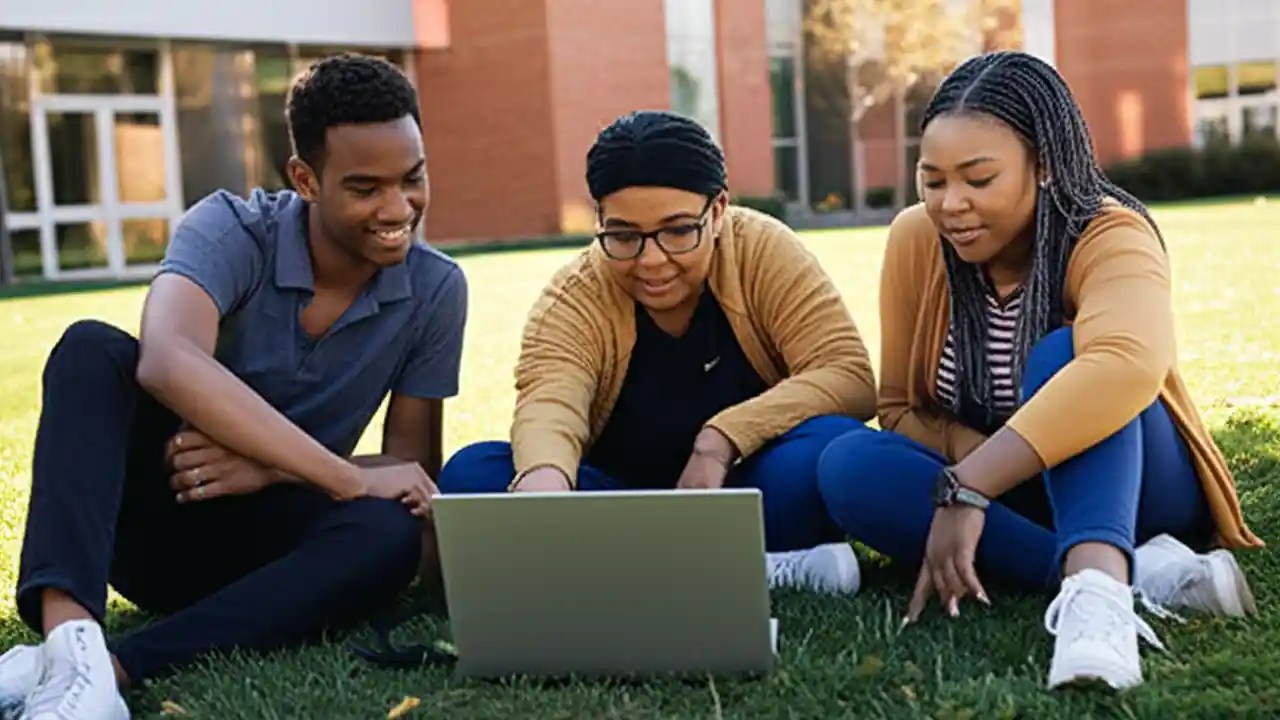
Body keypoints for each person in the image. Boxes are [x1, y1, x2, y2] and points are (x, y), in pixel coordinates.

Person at [0, 54, 467, 719]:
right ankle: (69, 635)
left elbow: (409, 472)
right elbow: (167, 359)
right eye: (366, 188)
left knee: (389, 533)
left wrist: (270, 470)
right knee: (91, 350)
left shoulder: (436, 288)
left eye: (412, 178)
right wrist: (340, 475)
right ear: (305, 179)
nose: (398, 208)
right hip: (162, 508)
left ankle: (111, 669)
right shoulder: (232, 229)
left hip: (273, 550)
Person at [816, 50, 1263, 691]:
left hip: (1138, 483)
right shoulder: (917, 239)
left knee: (1064, 356)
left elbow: (1124, 364)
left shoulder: (1108, 232)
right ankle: (1139, 576)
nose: (951, 204)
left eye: (979, 179)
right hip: (1014, 491)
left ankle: (1097, 603)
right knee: (848, 463)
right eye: (933, 181)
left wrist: (970, 487)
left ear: (1045, 165)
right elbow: (900, 409)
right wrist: (982, 469)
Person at [436, 110, 876, 593]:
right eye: (624, 236)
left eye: (678, 230)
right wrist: (546, 490)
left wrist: (720, 441)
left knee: (834, 446)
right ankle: (751, 567)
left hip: (744, 488)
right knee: (472, 475)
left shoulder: (761, 250)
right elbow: (550, 403)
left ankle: (616, 566)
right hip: (619, 500)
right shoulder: (575, 295)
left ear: (718, 210)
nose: (651, 259)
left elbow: (848, 375)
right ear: (599, 221)